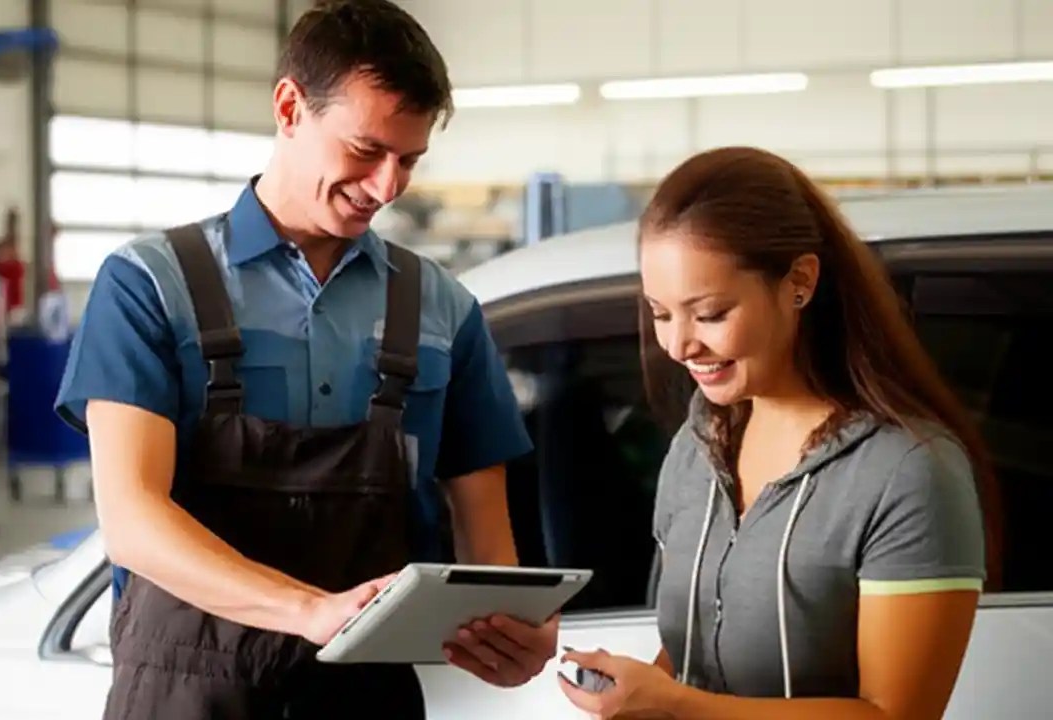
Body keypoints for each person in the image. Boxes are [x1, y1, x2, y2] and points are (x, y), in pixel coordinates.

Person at [53, 1, 555, 717]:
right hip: (185, 695)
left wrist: (509, 636)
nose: (387, 188)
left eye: (408, 160)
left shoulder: (443, 312)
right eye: (364, 150)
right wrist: (309, 611)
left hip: (362, 700)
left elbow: (488, 544)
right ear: (290, 106)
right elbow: (131, 518)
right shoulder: (150, 286)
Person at [559, 146, 998, 719]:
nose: (678, 345)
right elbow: (695, 652)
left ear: (800, 281)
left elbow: (897, 716)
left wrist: (680, 706)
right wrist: (639, 696)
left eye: (711, 313)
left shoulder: (908, 471)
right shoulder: (696, 450)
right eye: (661, 314)